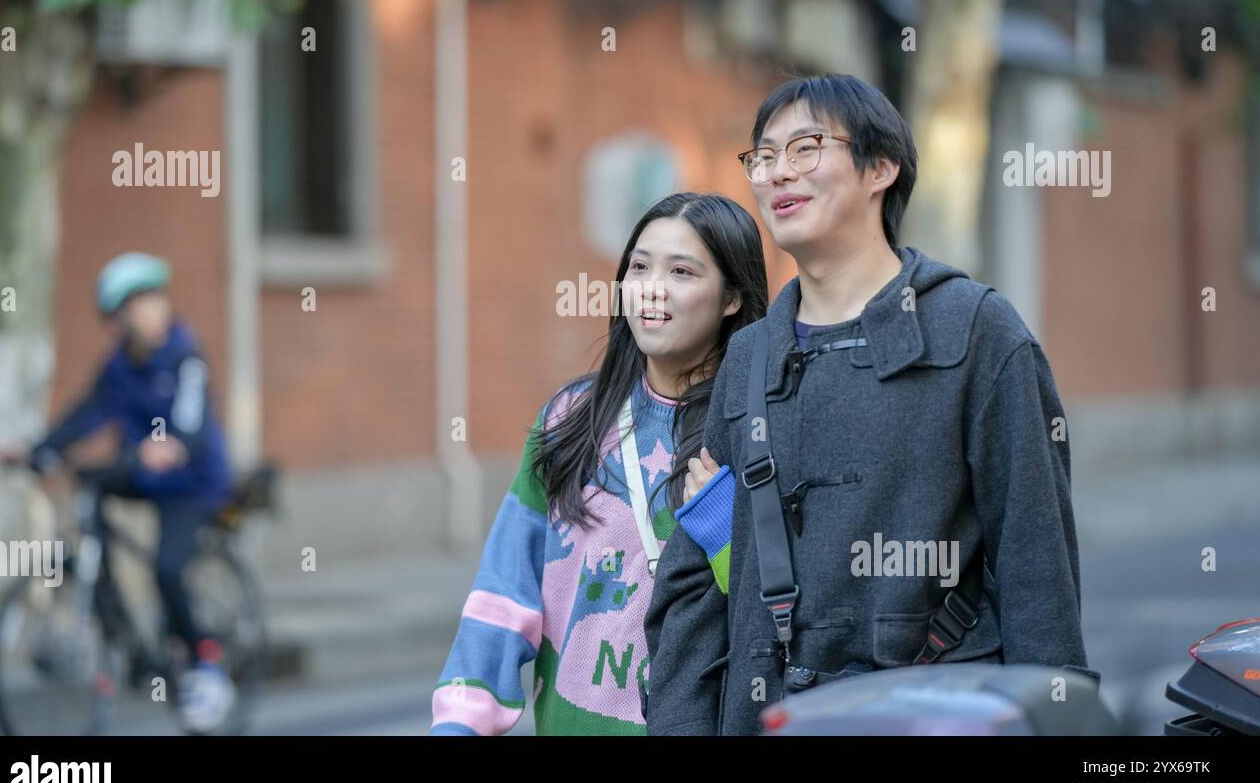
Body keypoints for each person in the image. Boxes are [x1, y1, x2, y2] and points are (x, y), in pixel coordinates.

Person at [644, 74, 1097, 736]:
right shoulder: (749, 356)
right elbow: (692, 592)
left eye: (804, 149)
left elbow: (1037, 573)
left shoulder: (975, 332)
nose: (776, 174)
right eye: (763, 158)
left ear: (879, 168)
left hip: (934, 716)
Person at [430, 193, 768, 735]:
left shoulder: (756, 431)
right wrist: (459, 722)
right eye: (639, 267)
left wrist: (727, 540)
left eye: (681, 271)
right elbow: (504, 589)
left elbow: (783, 619)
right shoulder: (570, 418)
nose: (650, 289)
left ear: (732, 298)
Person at [9, 252, 237, 733]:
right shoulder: (117, 366)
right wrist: (37, 450)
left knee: (166, 567)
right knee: (89, 487)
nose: (153, 311)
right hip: (144, 473)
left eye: (155, 299)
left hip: (191, 483)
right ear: (118, 319)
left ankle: (206, 665)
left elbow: (193, 423)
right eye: (139, 304)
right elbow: (87, 414)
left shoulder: (184, 354)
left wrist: (173, 445)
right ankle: (121, 632)